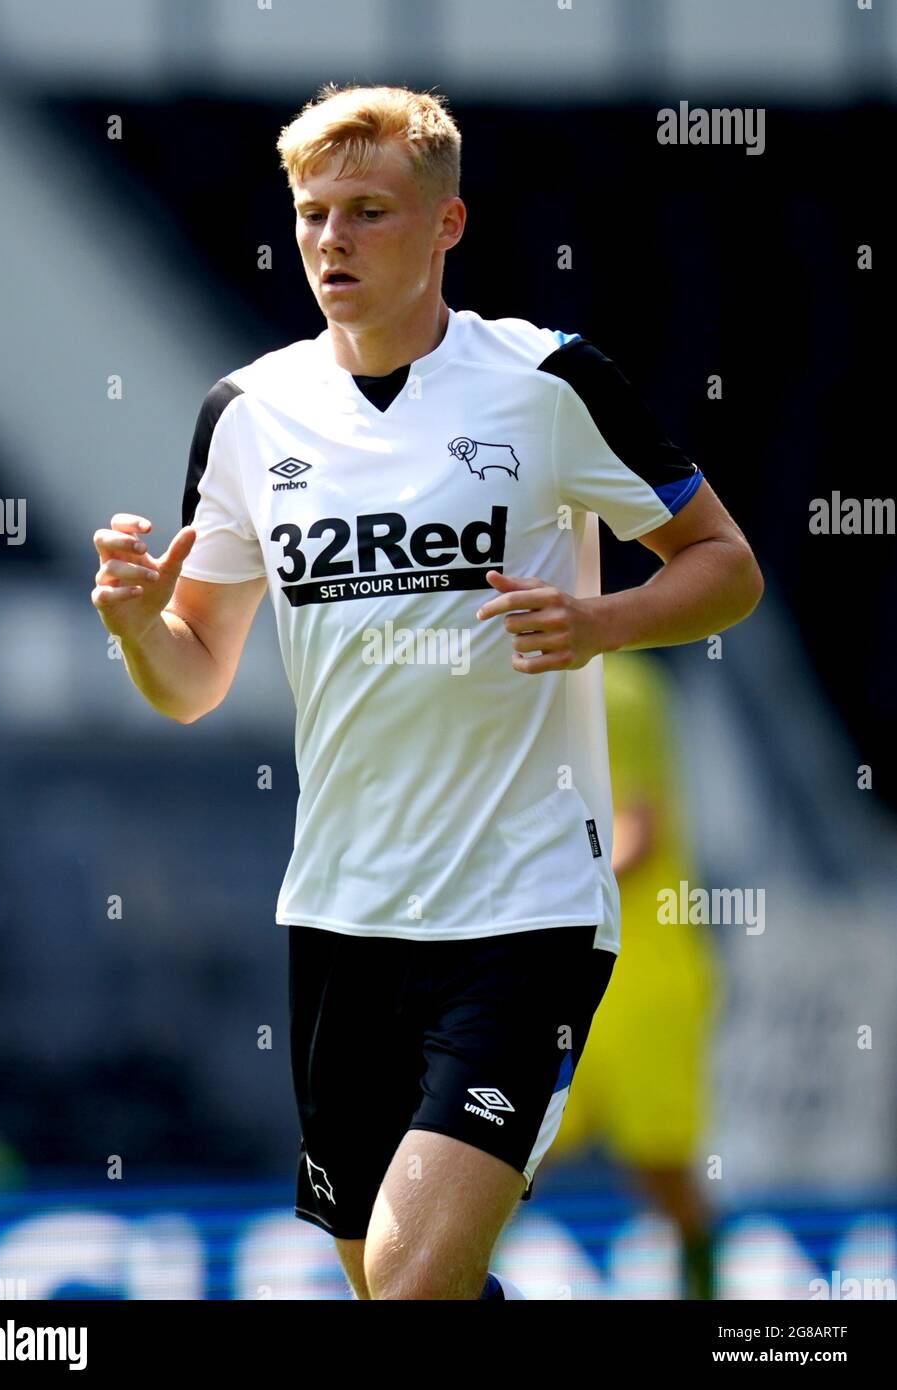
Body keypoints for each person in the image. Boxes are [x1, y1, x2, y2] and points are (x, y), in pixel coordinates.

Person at [91, 82, 763, 1301]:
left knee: (409, 1282)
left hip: (523, 913)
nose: (331, 241)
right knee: (393, 1285)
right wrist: (142, 628)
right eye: (310, 214)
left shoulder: (547, 380)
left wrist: (601, 620)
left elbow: (728, 569)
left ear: (447, 224)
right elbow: (190, 679)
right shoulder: (246, 414)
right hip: (345, 914)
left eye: (367, 212)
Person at [543, 650, 720, 1298]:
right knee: (491, 1161)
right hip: (547, 979)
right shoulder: (496, 681)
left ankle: (711, 1306)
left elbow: (637, 831)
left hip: (639, 978)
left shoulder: (616, 687)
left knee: (663, 1171)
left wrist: (537, 892)